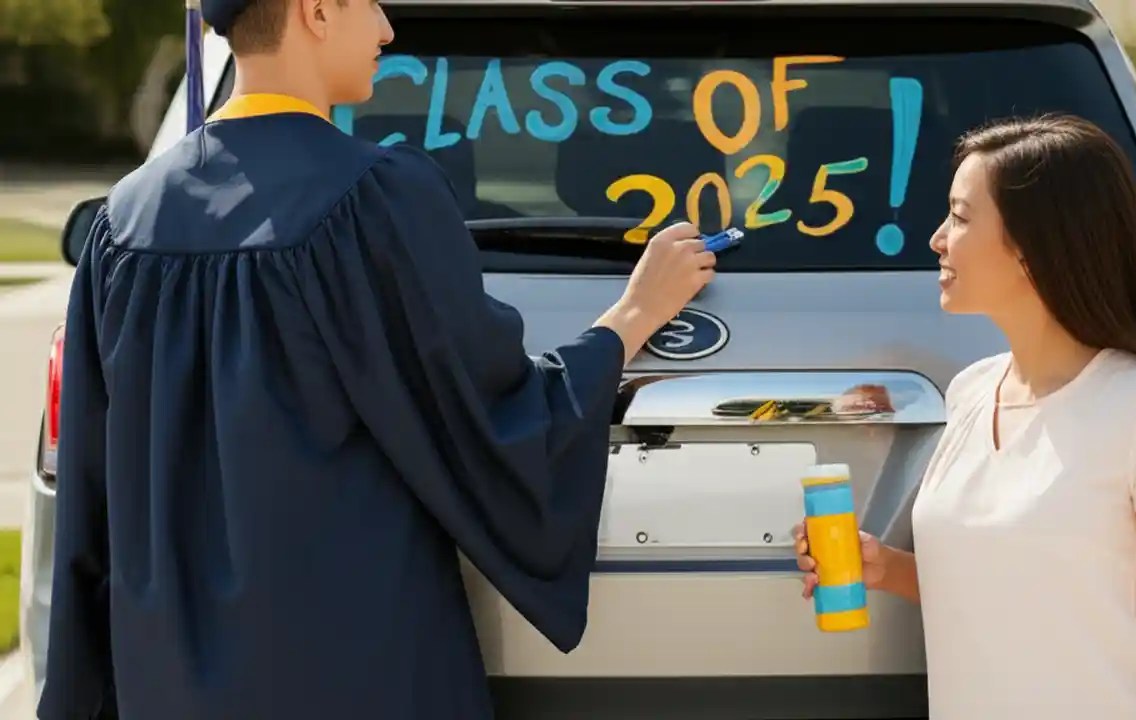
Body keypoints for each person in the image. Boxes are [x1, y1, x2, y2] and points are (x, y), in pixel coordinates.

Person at [38, 1, 716, 719]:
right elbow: (492, 413)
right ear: (318, 11)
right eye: (370, 3)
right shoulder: (373, 200)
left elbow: (90, 502)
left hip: (169, 681)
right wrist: (631, 316)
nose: (388, 27)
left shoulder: (122, 225)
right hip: (352, 670)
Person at [793, 114, 1136, 720]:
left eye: (961, 217)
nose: (937, 238)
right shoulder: (971, 393)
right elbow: (1018, 587)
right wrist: (884, 568)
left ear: (1033, 249)